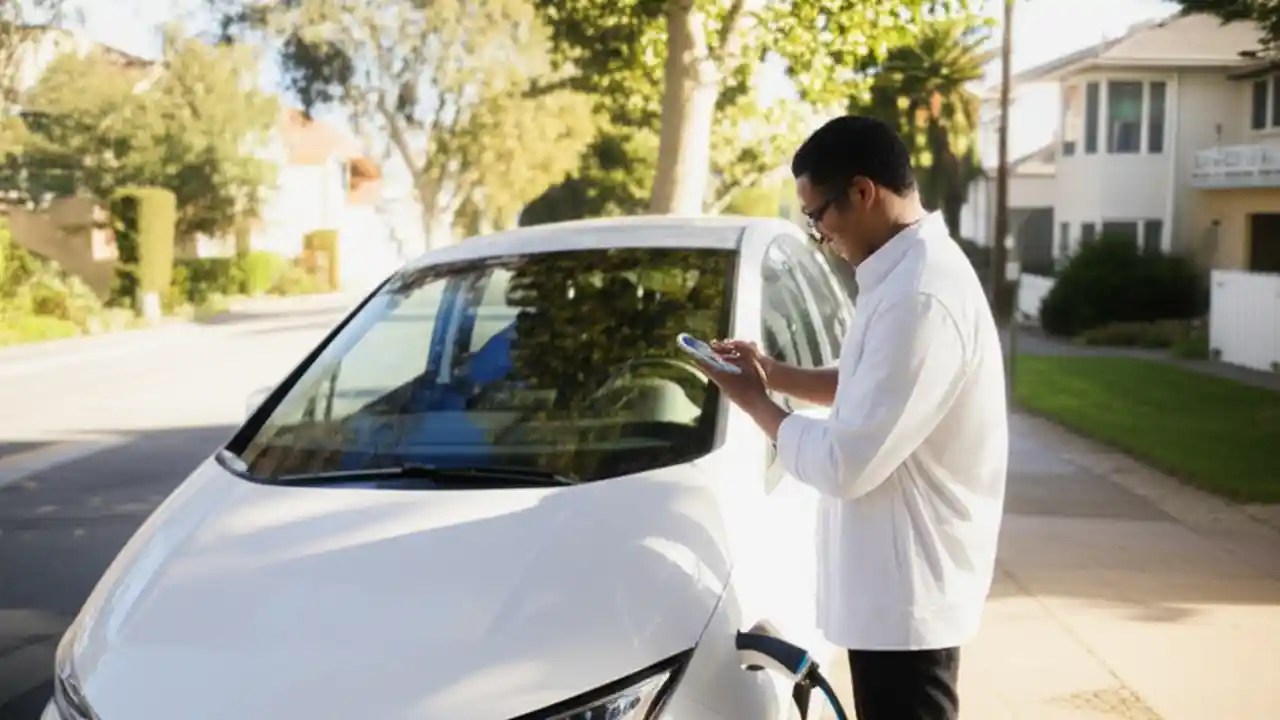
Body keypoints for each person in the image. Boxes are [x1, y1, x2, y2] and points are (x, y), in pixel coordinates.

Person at [699, 115, 1008, 720]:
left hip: (910, 602)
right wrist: (771, 373)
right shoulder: (900, 270)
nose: (820, 234)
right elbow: (865, 384)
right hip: (891, 596)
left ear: (863, 193)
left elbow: (846, 464)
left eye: (818, 216)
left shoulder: (922, 294)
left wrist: (755, 405)